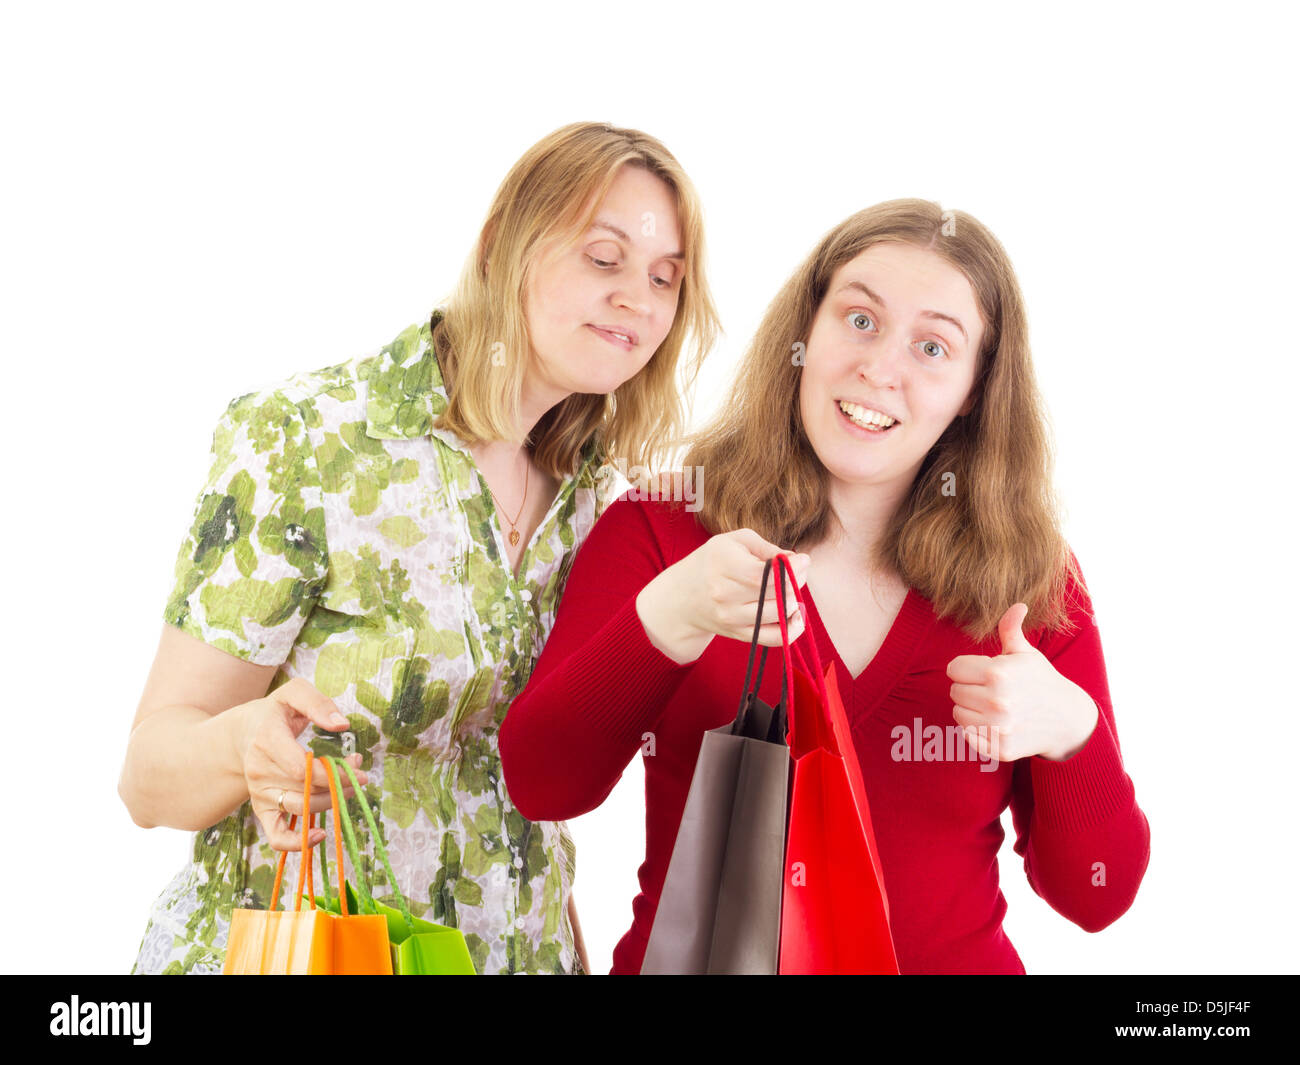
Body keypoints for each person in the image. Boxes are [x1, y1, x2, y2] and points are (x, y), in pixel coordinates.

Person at [119, 121, 720, 974]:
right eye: (603, 256)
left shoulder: (590, 492)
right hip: (307, 955)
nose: (639, 298)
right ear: (498, 242)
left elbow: (522, 805)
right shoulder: (311, 440)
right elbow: (146, 777)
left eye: (666, 279)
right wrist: (241, 743)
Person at [499, 198, 1152, 974]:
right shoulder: (663, 527)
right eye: (861, 320)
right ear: (807, 331)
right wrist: (670, 617)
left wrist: (1073, 732)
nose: (880, 369)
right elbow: (541, 784)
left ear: (976, 388)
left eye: (934, 347)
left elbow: (1097, 896)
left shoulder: (1029, 579)